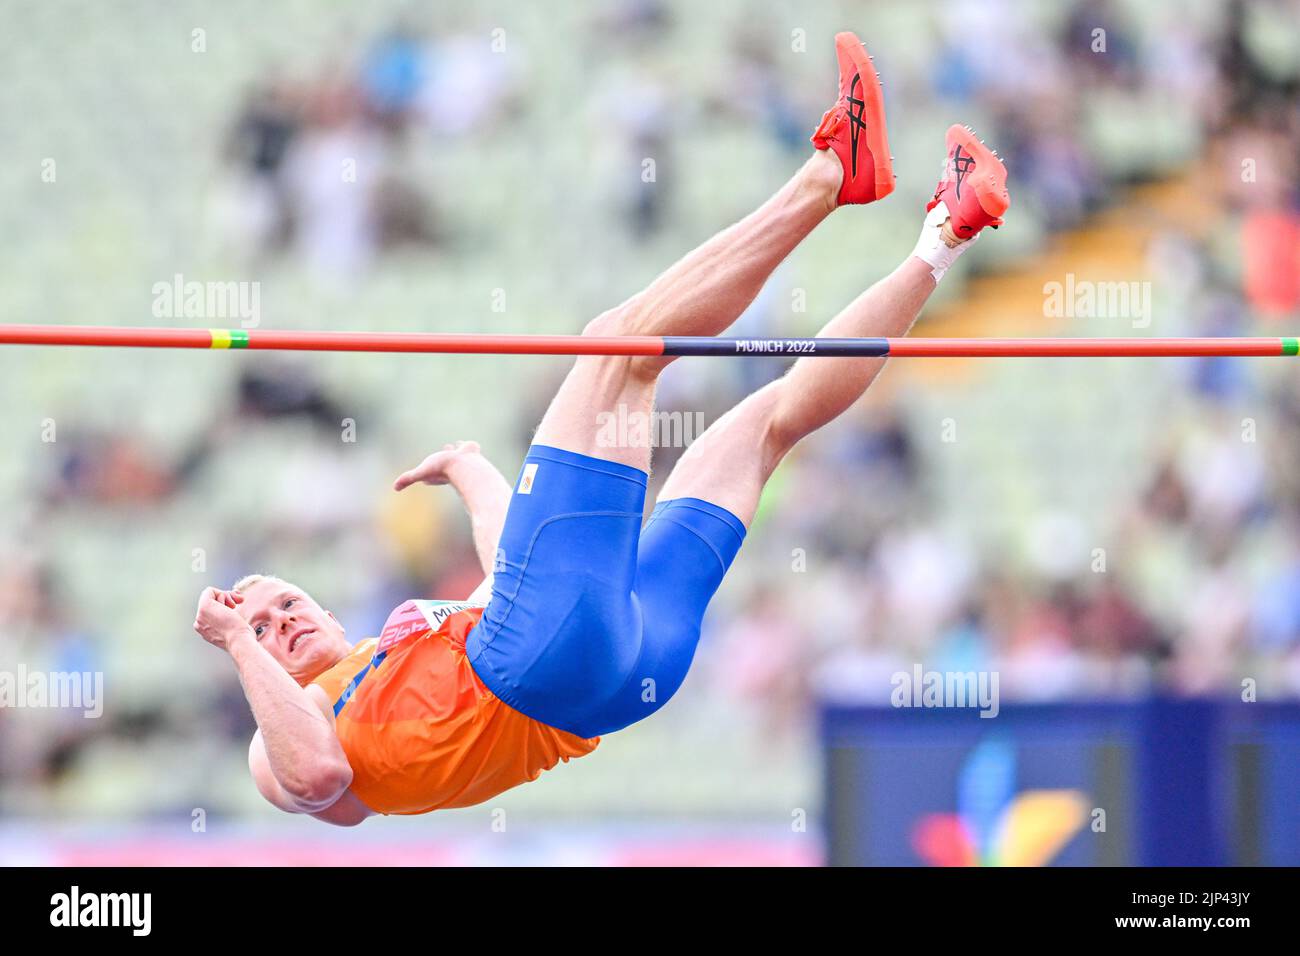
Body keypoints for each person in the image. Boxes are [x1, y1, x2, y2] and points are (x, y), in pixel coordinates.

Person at [192, 32, 1010, 825]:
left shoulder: (389, 661)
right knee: (619, 349)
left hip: (615, 668)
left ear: (324, 606)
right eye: (267, 629)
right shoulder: (294, 734)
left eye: (288, 602)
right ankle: (831, 175)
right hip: (550, 664)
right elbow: (318, 777)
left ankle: (944, 234)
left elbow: (522, 574)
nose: (283, 622)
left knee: (764, 428)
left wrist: (475, 476)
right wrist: (237, 643)